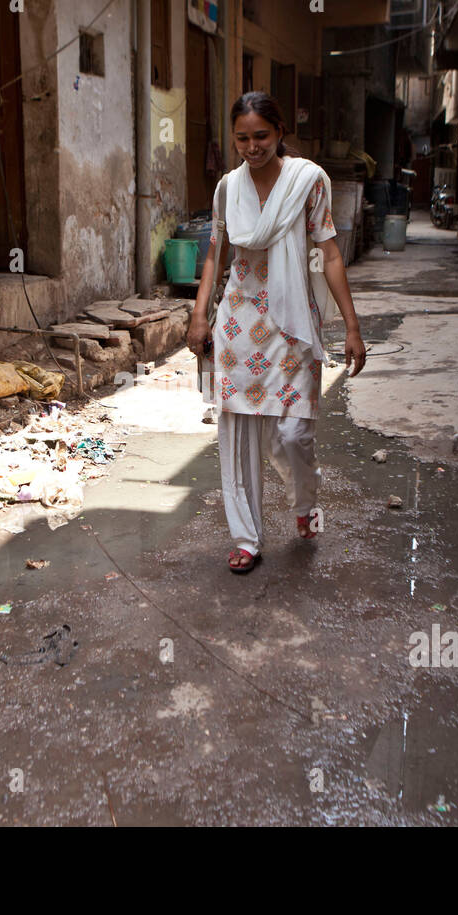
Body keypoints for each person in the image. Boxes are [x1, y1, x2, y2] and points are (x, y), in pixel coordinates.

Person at [186, 92, 366, 573]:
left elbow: (328, 254)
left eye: (261, 136)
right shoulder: (228, 188)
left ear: (280, 130)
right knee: (238, 434)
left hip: (291, 323)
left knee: (292, 432)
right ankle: (246, 537)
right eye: (242, 138)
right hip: (239, 323)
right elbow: (214, 254)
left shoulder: (308, 181)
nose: (252, 146)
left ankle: (305, 505)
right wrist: (200, 314)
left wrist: (351, 325)